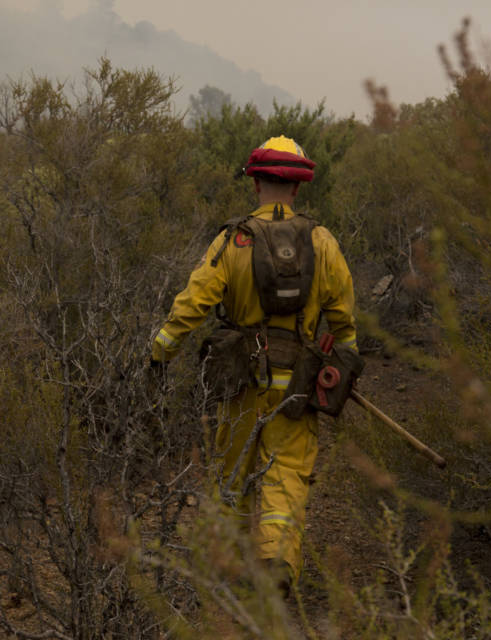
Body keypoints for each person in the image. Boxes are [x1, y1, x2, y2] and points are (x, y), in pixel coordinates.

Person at [150, 135, 358, 589]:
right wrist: (340, 364)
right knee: (286, 477)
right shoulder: (322, 242)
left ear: (256, 185)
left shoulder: (233, 240)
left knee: (233, 470)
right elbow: (344, 323)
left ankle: (229, 567)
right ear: (298, 190)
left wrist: (158, 352)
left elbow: (192, 305)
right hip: (298, 387)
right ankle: (277, 564)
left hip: (241, 381)